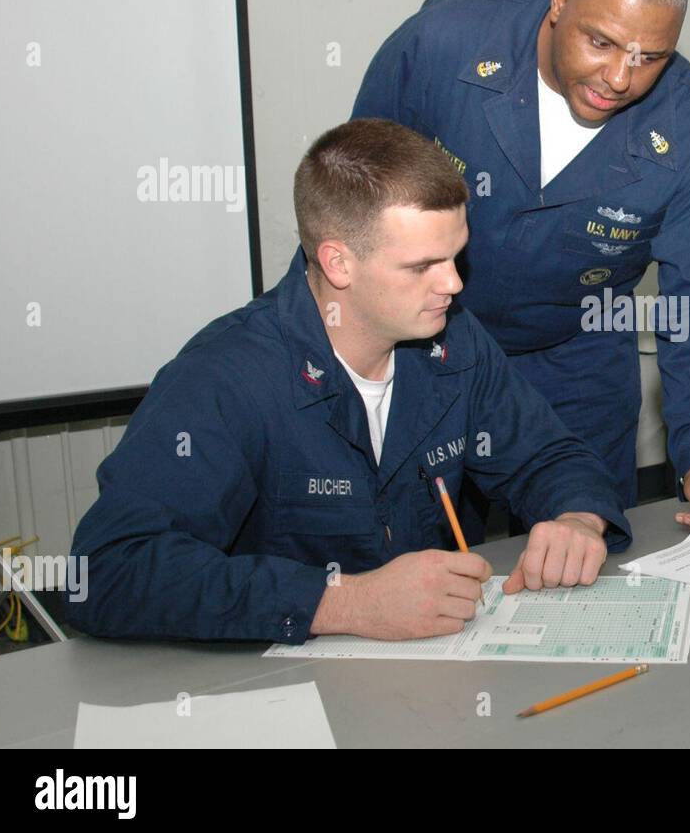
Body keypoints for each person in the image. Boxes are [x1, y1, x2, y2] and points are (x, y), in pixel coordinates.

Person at [66, 119, 632, 643]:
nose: (454, 284)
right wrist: (344, 603)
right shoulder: (225, 376)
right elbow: (105, 570)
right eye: (422, 266)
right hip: (278, 690)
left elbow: (549, 457)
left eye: (457, 256)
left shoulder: (454, 342)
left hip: (438, 673)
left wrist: (577, 518)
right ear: (338, 263)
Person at [352, 0, 690, 526]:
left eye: (649, 58)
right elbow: (351, 200)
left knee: (589, 544)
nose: (619, 77)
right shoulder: (442, 47)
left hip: (578, 358)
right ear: (560, 0)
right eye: (600, 42)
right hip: (427, 344)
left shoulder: (689, 131)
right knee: (416, 548)